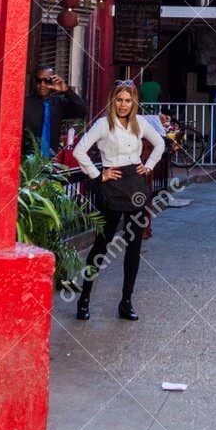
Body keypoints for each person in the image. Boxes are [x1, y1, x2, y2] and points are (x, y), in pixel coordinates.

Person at [73, 81, 164, 322]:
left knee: (134, 247)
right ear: (113, 101)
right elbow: (79, 151)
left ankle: (126, 302)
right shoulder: (103, 124)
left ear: (134, 102)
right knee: (101, 245)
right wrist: (98, 175)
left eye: (128, 100)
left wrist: (148, 166)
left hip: (135, 184)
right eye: (119, 100)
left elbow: (160, 143)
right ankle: (84, 299)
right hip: (112, 184)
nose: (123, 105)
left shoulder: (140, 123)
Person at [23, 67, 86, 157]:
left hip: (51, 159)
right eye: (39, 81)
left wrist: (66, 90)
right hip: (28, 159)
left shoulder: (59, 103)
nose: (42, 85)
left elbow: (82, 111)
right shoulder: (25, 103)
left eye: (47, 81)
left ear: (53, 81)